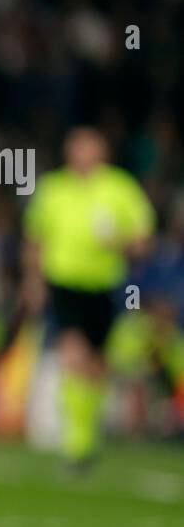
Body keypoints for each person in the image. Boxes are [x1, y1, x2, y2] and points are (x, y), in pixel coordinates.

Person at [23, 127, 155, 467]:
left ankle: (86, 431)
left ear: (103, 150)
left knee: (97, 363)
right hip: (64, 283)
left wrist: (119, 243)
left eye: (90, 146)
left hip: (106, 284)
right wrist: (34, 282)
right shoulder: (53, 189)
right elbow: (35, 239)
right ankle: (75, 440)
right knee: (72, 352)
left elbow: (143, 242)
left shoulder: (120, 188)